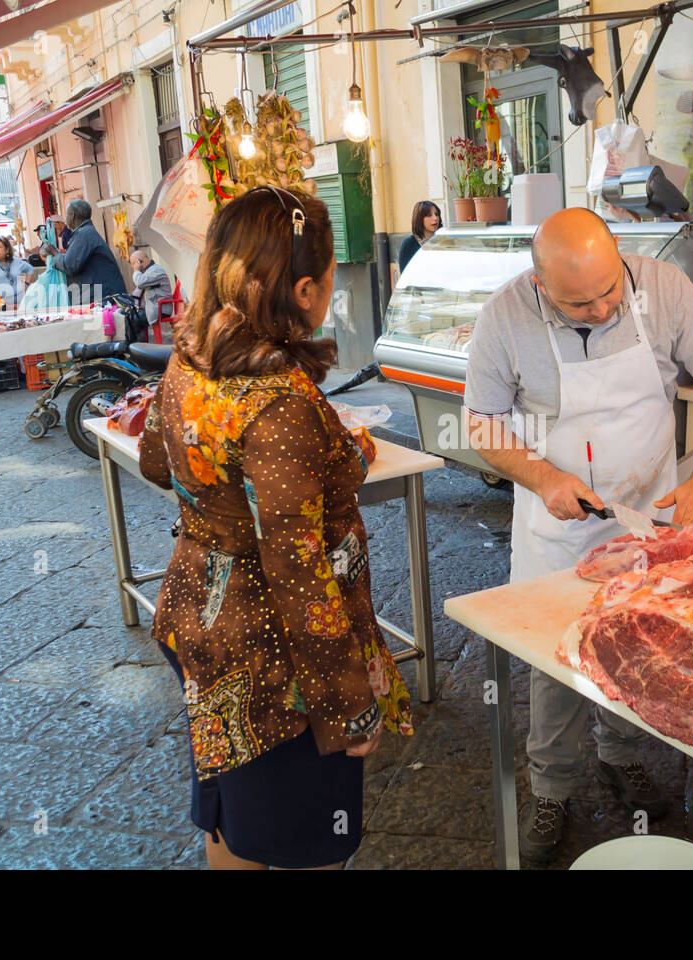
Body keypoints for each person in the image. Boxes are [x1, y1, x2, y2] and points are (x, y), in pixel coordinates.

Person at [461, 207, 693, 863]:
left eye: (609, 291)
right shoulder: (504, 317)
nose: (600, 308)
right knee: (555, 658)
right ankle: (551, 789)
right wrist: (542, 477)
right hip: (558, 524)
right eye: (578, 302)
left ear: (619, 256)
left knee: (636, 641)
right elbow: (480, 424)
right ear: (540, 285)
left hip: (647, 513)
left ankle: (621, 755)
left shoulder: (665, 288)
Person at [138, 187, 413, 870]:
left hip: (199, 619)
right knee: (303, 839)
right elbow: (297, 569)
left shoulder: (190, 356)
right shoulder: (280, 401)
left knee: (232, 813)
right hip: (274, 658)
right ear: (306, 289)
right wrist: (348, 707)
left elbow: (155, 460)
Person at [41, 198, 127, 303]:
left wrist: (54, 252)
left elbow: (69, 266)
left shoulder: (84, 234)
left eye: (66, 214)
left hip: (101, 297)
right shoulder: (85, 232)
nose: (65, 218)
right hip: (97, 294)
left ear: (72, 216)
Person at [130, 249, 173, 335]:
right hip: (154, 307)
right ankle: (139, 344)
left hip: (160, 309)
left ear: (140, 261)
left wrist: (136, 271)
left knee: (133, 321)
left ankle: (137, 346)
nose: (132, 266)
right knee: (129, 317)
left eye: (133, 263)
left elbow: (140, 282)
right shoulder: (149, 271)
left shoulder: (156, 270)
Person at [398, 201, 442, 275]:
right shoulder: (409, 245)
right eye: (429, 215)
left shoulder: (443, 240)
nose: (435, 218)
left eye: (436, 214)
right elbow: (406, 276)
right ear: (419, 219)